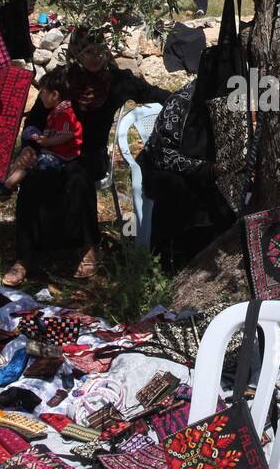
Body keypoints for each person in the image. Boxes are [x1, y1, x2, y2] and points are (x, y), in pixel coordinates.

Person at [14, 28, 171, 283]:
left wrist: (185, 100)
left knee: (78, 174)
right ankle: (24, 257)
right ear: (77, 52)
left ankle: (88, 247)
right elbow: (34, 119)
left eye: (99, 50)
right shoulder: (62, 80)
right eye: (88, 51)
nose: (95, 57)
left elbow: (152, 94)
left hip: (92, 154)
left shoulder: (116, 81)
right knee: (32, 179)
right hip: (54, 151)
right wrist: (30, 146)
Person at [138, 76, 235, 270]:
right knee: (178, 187)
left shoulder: (225, 104)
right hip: (160, 168)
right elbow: (163, 154)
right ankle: (170, 259)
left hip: (199, 166)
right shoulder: (181, 103)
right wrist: (204, 169)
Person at [5, 68, 83, 190]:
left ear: (54, 95)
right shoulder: (57, 111)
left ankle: (8, 184)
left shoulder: (66, 113)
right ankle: (7, 176)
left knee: (33, 163)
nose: (40, 95)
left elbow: (68, 134)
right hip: (54, 151)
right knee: (28, 159)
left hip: (62, 155)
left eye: (43, 92)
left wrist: (48, 142)